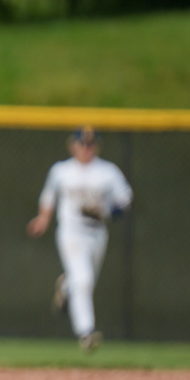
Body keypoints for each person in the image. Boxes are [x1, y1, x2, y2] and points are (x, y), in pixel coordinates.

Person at [27, 126, 133, 353]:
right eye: (82, 144)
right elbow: (48, 196)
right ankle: (86, 332)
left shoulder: (108, 171)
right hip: (71, 231)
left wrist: (107, 213)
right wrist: (43, 219)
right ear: (72, 146)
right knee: (83, 280)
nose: (86, 148)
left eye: (90, 144)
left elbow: (125, 201)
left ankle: (65, 286)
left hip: (97, 233)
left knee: (85, 281)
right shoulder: (61, 170)